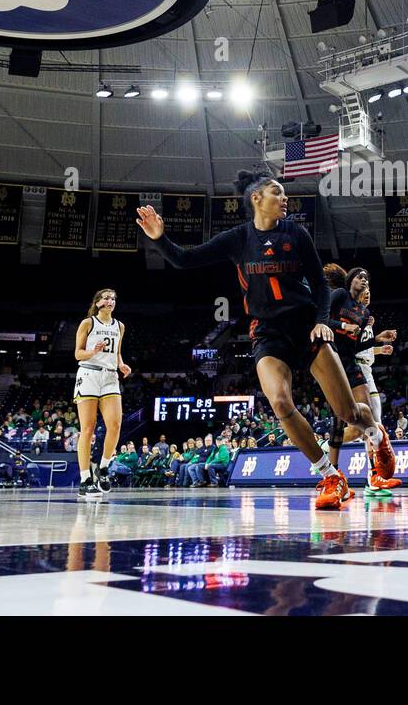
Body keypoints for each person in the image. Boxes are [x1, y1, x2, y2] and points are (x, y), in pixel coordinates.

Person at [136, 172, 381, 509]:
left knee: (349, 412)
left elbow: (321, 285)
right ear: (256, 198)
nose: (285, 199)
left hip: (305, 326)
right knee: (280, 403)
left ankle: (377, 437)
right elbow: (184, 259)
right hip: (267, 333)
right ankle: (330, 476)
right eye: (277, 192)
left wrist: (323, 322)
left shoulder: (296, 233)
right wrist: (160, 238)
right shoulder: (238, 239)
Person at [322, 265, 398, 493]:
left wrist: (376, 339)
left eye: (367, 278)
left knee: (364, 413)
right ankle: (334, 474)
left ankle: (376, 462)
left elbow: (357, 345)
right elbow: (322, 320)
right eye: (360, 277)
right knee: (339, 420)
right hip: (331, 358)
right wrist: (344, 325)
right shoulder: (339, 295)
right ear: (350, 281)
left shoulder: (364, 314)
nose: (364, 280)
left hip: (350, 361)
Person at [73, 288, 131, 499]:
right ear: (98, 302)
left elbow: (117, 353)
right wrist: (93, 352)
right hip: (88, 374)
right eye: (106, 298)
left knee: (115, 425)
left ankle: (103, 468)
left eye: (113, 298)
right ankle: (84, 479)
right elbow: (78, 353)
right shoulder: (88, 323)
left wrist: (122, 365)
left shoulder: (120, 326)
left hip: (109, 377)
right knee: (87, 429)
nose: (110, 301)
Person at [353, 281, 401, 492]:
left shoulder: (367, 317)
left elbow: (364, 347)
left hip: (366, 368)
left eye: (370, 291)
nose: (368, 294)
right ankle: (374, 476)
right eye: (364, 291)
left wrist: (380, 349)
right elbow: (354, 347)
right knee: (372, 425)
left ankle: (374, 477)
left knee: (369, 426)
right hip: (357, 370)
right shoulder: (356, 316)